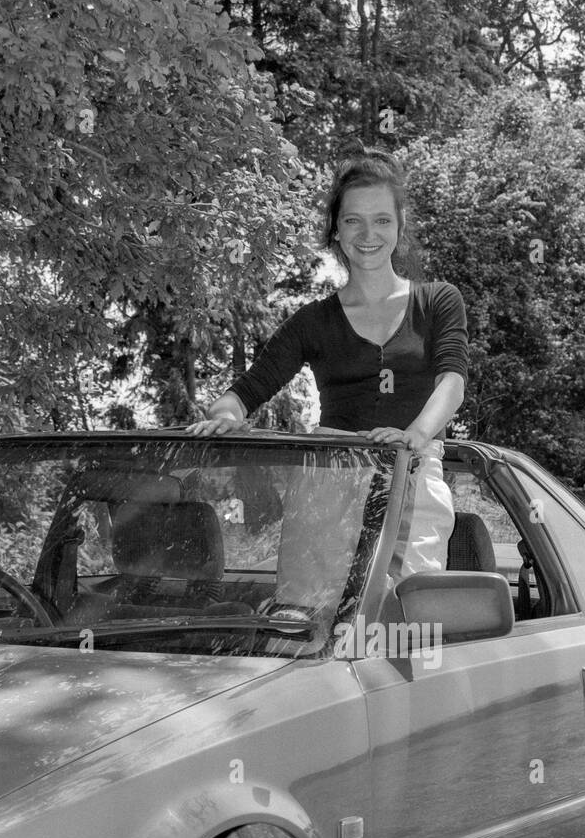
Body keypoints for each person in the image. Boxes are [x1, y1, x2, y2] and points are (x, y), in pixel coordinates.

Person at [186, 143, 468, 605]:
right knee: (304, 615)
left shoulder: (437, 301)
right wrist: (226, 414)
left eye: (381, 220)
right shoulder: (313, 321)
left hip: (411, 472)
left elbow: (451, 382)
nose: (368, 233)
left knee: (403, 619)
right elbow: (244, 392)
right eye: (353, 220)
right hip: (326, 481)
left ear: (399, 228)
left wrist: (415, 435)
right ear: (336, 230)